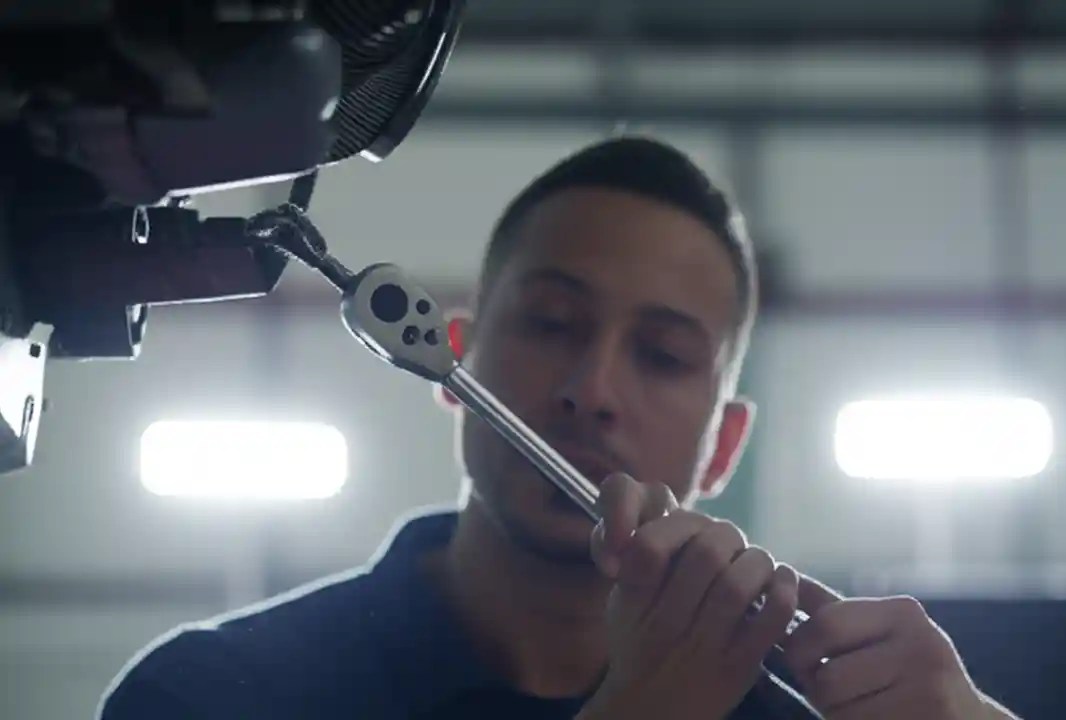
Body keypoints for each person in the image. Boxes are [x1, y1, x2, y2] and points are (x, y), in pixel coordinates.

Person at [99, 136, 1018, 719]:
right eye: (550, 322)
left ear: (724, 446)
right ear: (453, 359)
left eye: (660, 354)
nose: (592, 389)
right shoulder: (215, 696)